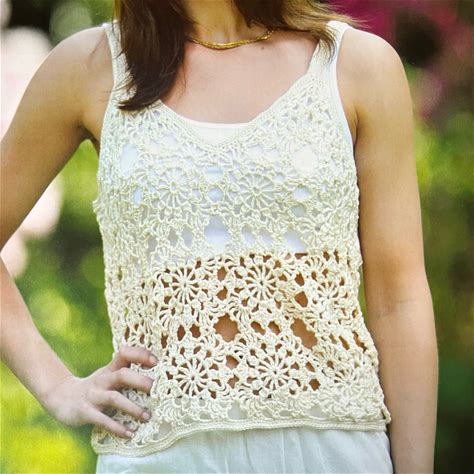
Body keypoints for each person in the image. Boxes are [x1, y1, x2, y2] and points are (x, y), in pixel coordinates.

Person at [0, 0, 438, 473]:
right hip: (160, 454)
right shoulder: (91, 66)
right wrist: (55, 386)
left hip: (331, 451)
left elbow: (399, 297)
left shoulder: (357, 65)